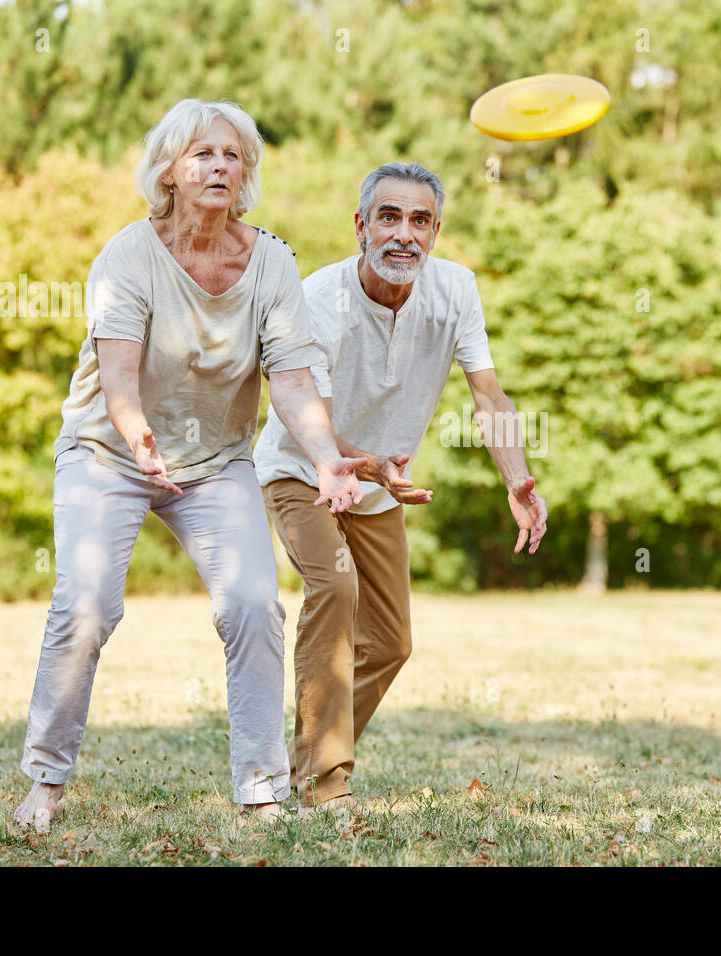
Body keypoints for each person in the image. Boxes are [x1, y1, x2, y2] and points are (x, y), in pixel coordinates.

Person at [14, 99, 365, 829]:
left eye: (233, 156)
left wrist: (330, 460)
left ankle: (261, 791)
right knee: (86, 606)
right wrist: (139, 437)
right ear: (169, 170)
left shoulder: (271, 262)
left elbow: (294, 380)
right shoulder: (128, 255)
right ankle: (44, 782)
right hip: (109, 454)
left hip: (212, 464)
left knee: (251, 606)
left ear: (247, 174)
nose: (219, 167)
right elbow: (117, 378)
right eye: (202, 154)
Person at [253, 162, 548, 811]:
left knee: (390, 641)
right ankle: (324, 785)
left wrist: (517, 479)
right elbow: (313, 421)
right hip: (304, 468)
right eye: (388, 217)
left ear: (436, 232)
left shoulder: (456, 292)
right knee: (334, 587)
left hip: (379, 486)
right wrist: (360, 465)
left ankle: (302, 757)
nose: (403, 235)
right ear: (361, 226)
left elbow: (489, 394)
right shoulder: (321, 300)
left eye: (420, 220)